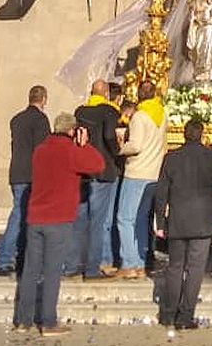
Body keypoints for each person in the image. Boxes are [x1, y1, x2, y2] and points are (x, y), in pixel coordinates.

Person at [13, 112, 106, 336]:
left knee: (30, 270)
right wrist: (84, 145)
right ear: (72, 131)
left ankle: (23, 321)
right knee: (52, 271)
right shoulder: (71, 151)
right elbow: (98, 165)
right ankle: (48, 321)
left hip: (36, 217)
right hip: (58, 219)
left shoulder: (41, 150)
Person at [154, 120, 212, 329]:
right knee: (196, 269)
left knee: (175, 267)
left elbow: (161, 192)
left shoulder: (171, 158)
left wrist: (160, 221)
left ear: (184, 135)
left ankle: (168, 313)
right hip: (205, 221)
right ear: (202, 135)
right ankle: (185, 316)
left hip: (178, 220)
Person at [0, 85, 51, 276]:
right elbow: (42, 150)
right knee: (20, 215)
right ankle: (3, 259)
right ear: (43, 99)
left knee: (23, 215)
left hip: (16, 171)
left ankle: (20, 258)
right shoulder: (40, 119)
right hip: (31, 174)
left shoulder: (17, 119)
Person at [115, 81, 166, 279]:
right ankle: (141, 261)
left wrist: (120, 146)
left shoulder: (140, 116)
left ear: (138, 94)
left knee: (125, 218)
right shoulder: (162, 113)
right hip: (154, 173)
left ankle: (129, 263)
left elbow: (135, 146)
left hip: (137, 172)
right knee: (141, 220)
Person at [72, 80, 122, 279]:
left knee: (80, 218)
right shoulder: (109, 112)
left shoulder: (80, 111)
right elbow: (110, 136)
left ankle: (73, 262)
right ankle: (93, 266)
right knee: (98, 221)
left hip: (83, 171)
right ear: (107, 93)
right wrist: (116, 150)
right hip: (103, 170)